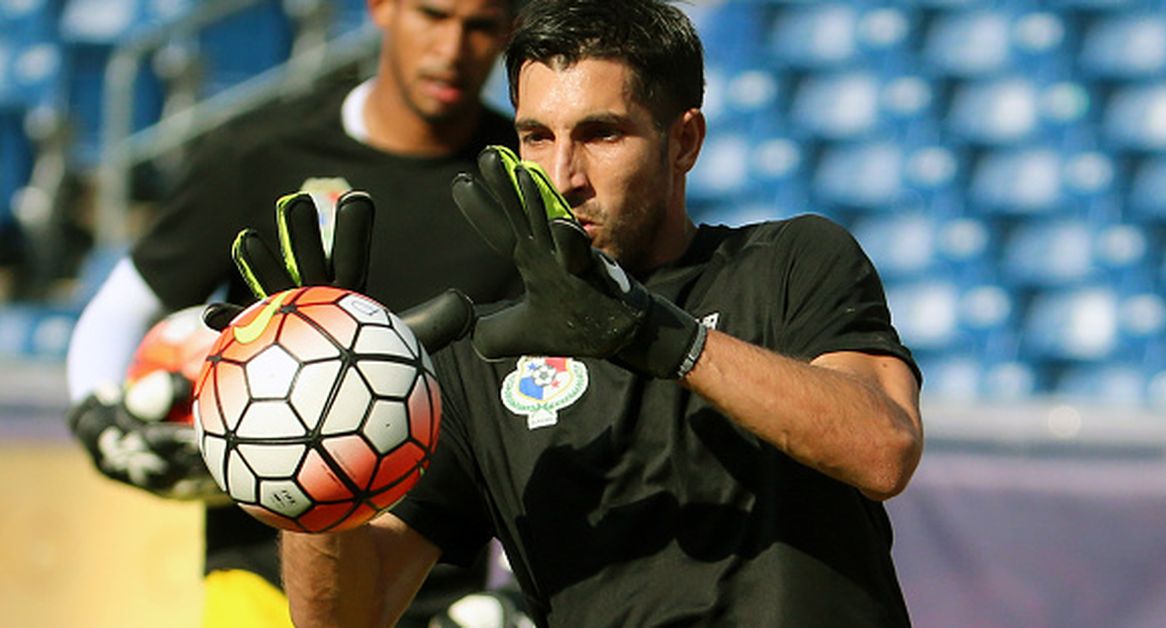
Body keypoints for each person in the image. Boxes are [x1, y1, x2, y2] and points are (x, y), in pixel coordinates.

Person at [255, 0, 925, 626]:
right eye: (536, 136)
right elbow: (347, 616)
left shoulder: (788, 259)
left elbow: (882, 451)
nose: (564, 174)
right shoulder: (479, 358)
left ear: (684, 140)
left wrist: (658, 335)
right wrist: (317, 454)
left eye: (601, 134)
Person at [64, 1, 524, 626]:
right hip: (260, 574)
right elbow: (125, 304)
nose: (452, 47)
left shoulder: (518, 179)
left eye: (479, 25)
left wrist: (516, 583)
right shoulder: (260, 150)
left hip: (439, 587)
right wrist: (98, 415)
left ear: (511, 30)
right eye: (433, 14)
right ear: (381, 7)